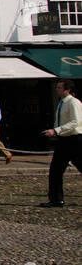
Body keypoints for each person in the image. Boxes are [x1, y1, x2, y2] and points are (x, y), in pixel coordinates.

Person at [41, 79, 82, 207]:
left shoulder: (73, 103)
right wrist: (55, 131)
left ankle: (56, 199)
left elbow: (76, 121)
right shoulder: (61, 103)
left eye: (59, 87)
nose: (56, 89)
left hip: (75, 139)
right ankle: (56, 199)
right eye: (57, 87)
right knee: (55, 170)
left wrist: (56, 130)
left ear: (67, 90)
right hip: (64, 140)